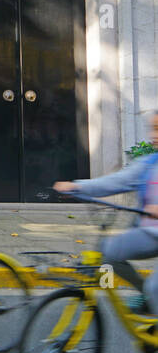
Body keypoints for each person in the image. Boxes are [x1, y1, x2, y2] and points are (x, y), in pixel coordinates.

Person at [53, 111, 158, 317]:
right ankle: (145, 295)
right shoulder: (148, 164)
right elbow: (115, 181)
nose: (155, 134)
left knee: (156, 288)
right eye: (154, 128)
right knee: (108, 251)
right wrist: (76, 187)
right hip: (150, 234)